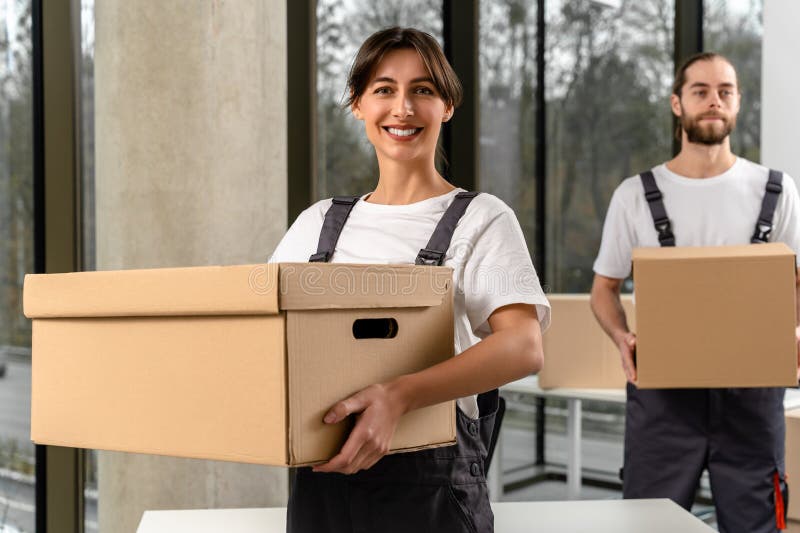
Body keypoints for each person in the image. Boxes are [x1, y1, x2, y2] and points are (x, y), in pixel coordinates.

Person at [268, 27, 550, 533]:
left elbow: (523, 347)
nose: (403, 108)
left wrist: (397, 397)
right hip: (323, 489)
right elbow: (263, 337)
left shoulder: (481, 218)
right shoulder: (316, 225)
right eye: (384, 89)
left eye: (423, 90)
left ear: (448, 107)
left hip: (433, 492)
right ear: (357, 104)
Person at [590, 52, 800, 533]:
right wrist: (622, 338)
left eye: (725, 91)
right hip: (662, 398)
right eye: (700, 91)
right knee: (648, 524)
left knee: (758, 525)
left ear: (738, 102)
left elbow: (796, 280)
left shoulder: (776, 189)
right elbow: (604, 288)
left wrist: (794, 332)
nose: (714, 101)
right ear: (677, 103)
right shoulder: (634, 195)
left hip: (753, 397)